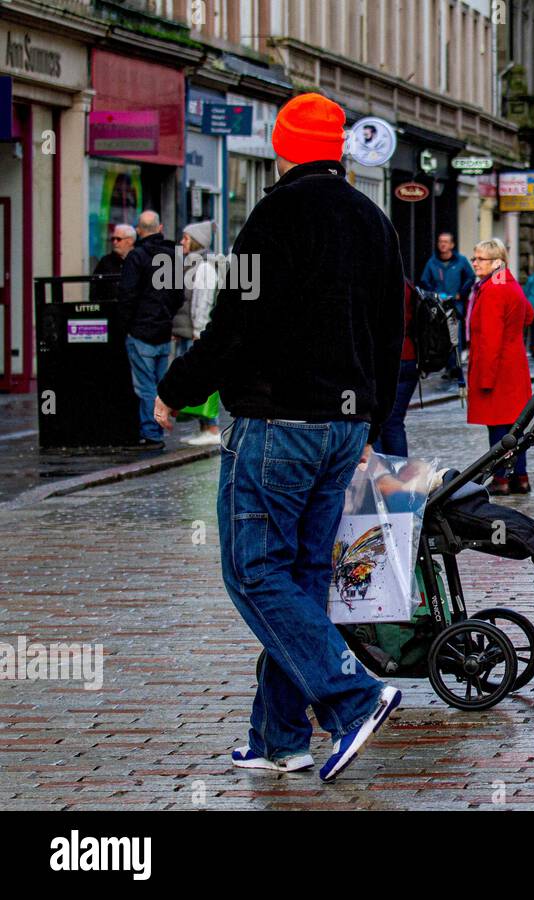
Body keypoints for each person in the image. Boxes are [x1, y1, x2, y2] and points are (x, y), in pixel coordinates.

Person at [154, 92, 405, 781]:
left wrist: (175, 388)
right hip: (342, 425)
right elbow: (390, 335)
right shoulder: (374, 220)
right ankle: (279, 736)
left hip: (280, 423)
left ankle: (353, 697)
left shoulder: (275, 215)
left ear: (286, 147)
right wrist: (373, 423)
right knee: (299, 577)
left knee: (253, 570)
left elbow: (235, 325)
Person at [466, 238, 534, 496]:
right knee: (514, 428)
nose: (474, 263)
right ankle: (520, 478)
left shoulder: (492, 291)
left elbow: (491, 339)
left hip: (497, 370)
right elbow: (529, 315)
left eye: (479, 259)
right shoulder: (509, 284)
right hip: (514, 367)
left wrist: (485, 378)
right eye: (474, 258)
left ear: (496, 262)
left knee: (498, 429)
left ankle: (501, 479)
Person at [118, 210, 184, 450]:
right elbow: (178, 295)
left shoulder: (137, 257)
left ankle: (151, 433)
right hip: (163, 330)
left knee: (145, 385)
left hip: (141, 331)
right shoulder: (171, 256)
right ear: (160, 227)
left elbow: (127, 295)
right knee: (158, 384)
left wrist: (126, 326)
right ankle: (158, 427)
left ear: (138, 230)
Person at [171, 221, 221, 446]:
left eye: (186, 238)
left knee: (203, 381)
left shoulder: (203, 267)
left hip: (198, 333)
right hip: (191, 332)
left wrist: (198, 330)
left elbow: (203, 301)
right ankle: (202, 427)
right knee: (194, 381)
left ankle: (212, 427)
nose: (182, 242)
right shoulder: (193, 264)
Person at [373, 280, 422, 458]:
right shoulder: (406, 284)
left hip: (388, 359)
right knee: (394, 421)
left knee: (376, 420)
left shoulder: (382, 284)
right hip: (408, 357)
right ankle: (399, 472)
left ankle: (380, 476)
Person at [419, 233, 475, 383]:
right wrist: (434, 294)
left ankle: (455, 367)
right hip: (438, 306)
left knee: (455, 334)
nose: (443, 244)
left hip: (455, 305)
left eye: (446, 242)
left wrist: (461, 293)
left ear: (451, 245)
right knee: (440, 335)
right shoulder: (432, 262)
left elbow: (471, 277)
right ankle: (445, 365)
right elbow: (424, 281)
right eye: (440, 242)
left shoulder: (461, 261)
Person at [91, 224, 135, 302]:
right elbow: (95, 289)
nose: (114, 242)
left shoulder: (138, 261)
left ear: (130, 241)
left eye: (118, 239)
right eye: (113, 239)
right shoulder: (105, 262)